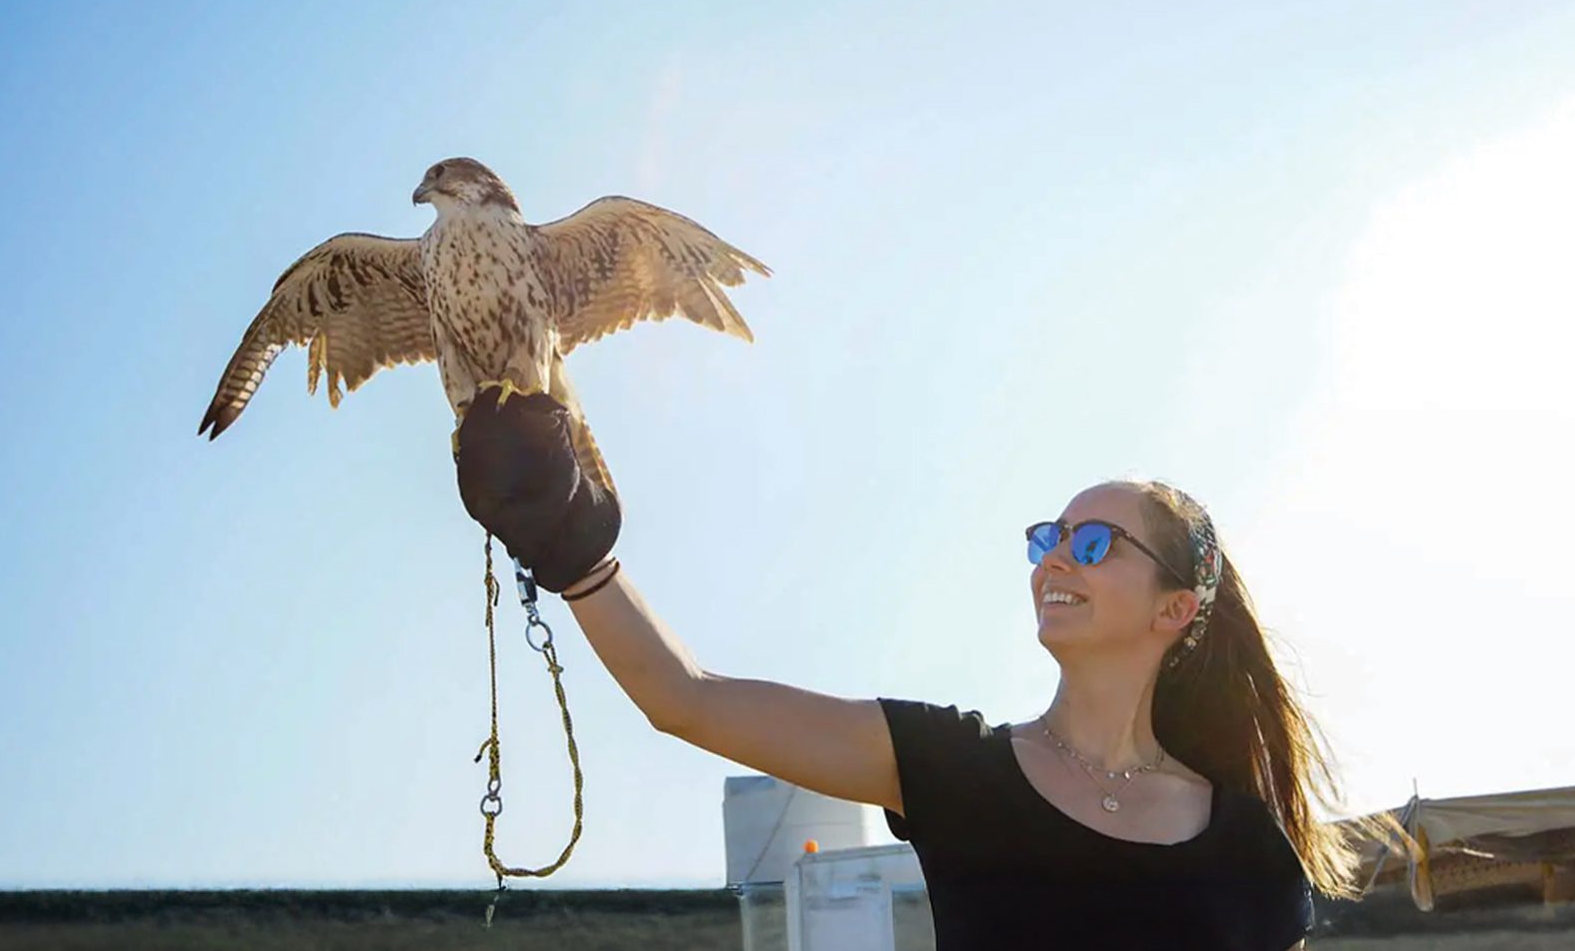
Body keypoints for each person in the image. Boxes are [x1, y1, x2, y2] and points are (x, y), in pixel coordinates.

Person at [453, 388, 1376, 949]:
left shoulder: (1246, 847)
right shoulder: (954, 767)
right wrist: (577, 558)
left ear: (1176, 610)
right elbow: (685, 699)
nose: (1056, 560)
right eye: (1047, 540)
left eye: (1095, 544)